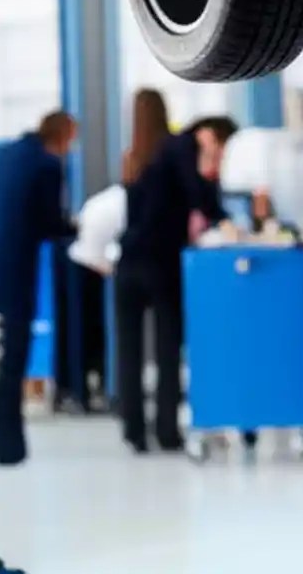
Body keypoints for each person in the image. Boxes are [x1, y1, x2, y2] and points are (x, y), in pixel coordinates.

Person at [116, 115, 237, 453]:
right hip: (160, 263)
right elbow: (198, 196)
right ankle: (167, 432)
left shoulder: (144, 154)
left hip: (128, 261)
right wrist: (224, 216)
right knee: (167, 349)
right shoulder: (182, 148)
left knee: (130, 351)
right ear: (212, 135)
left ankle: (134, 431)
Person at [0, 110, 79, 466]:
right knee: (14, 360)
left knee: (2, 361)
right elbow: (49, 222)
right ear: (63, 135)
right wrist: (76, 227)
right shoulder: (47, 166)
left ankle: (5, 443)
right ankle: (10, 448)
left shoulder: (4, 155)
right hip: (20, 271)